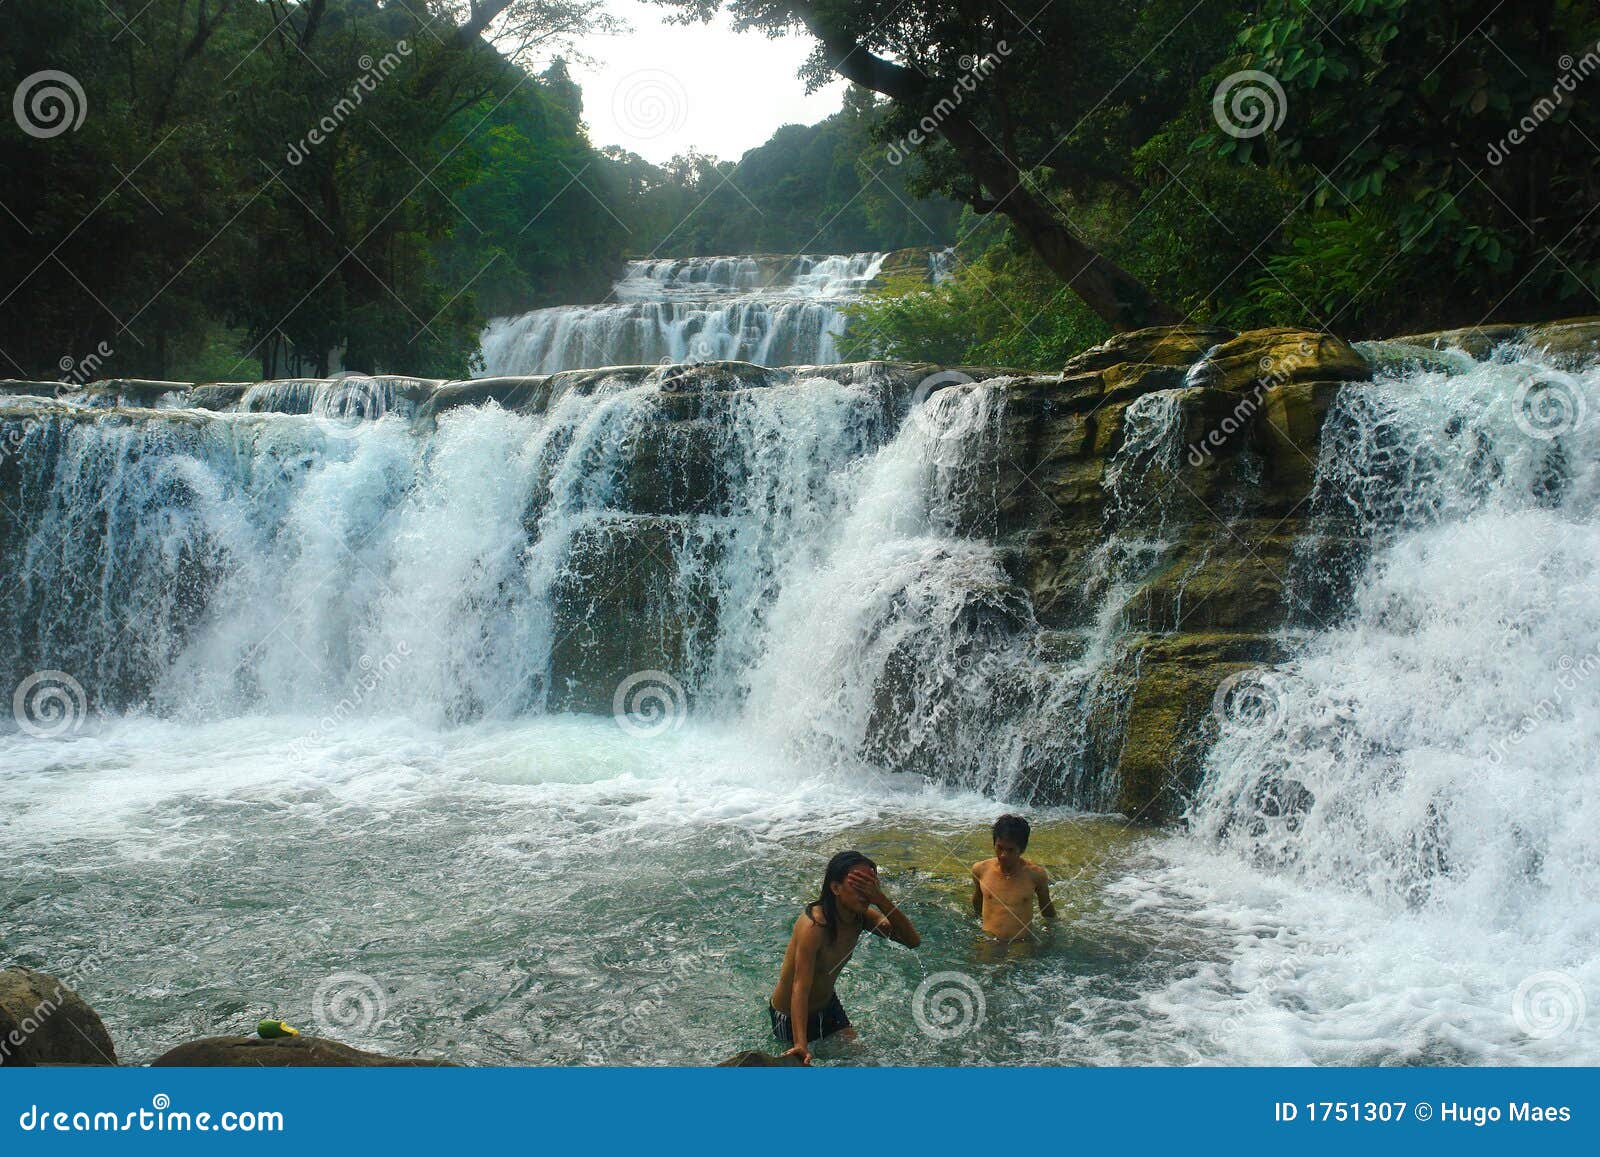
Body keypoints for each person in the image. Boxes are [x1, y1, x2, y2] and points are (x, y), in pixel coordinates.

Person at [769, 850, 920, 1064]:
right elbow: (800, 987)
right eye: (858, 886)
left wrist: (880, 899)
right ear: (835, 888)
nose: (865, 894)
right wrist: (800, 1044)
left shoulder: (861, 917)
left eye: (870, 886)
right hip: (792, 1015)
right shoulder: (814, 925)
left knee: (863, 1059)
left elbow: (912, 941)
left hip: (828, 1005)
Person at [970, 814, 1055, 940]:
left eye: (1010, 850)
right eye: (999, 848)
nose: (1003, 855)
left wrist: (1050, 937)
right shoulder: (980, 870)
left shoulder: (1036, 875)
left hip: (1021, 942)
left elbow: (1047, 911)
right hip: (989, 940)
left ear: (1022, 849)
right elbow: (978, 901)